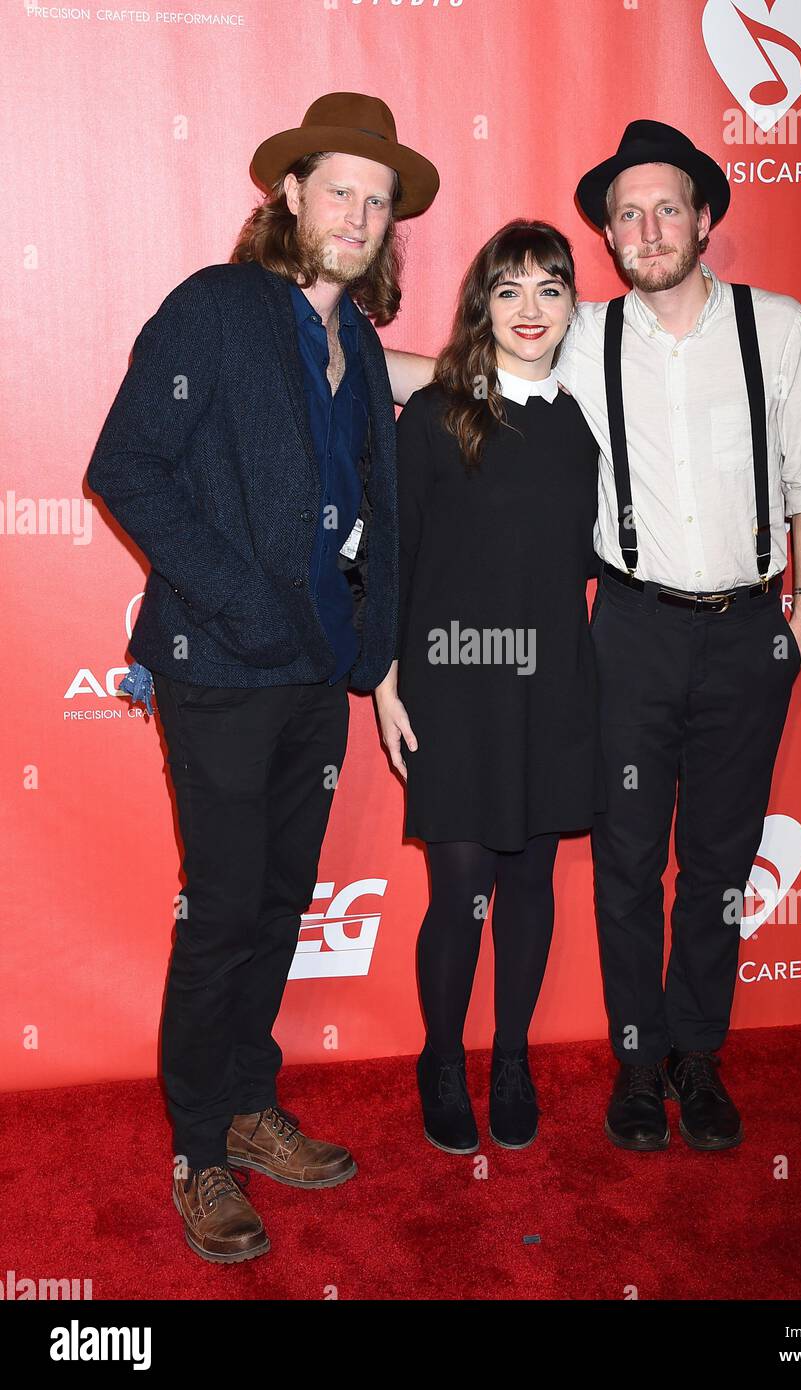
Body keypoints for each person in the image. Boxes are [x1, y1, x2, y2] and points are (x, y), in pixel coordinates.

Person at [85, 92, 439, 1262]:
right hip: (220, 665)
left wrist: (370, 648)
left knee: (280, 902)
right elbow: (125, 465)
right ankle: (197, 1150)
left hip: (310, 672)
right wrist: (238, 599)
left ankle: (246, 1102)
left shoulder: (364, 345)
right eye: (339, 187)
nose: (358, 211)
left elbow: (378, 515)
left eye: (378, 199)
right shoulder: (220, 307)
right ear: (289, 194)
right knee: (224, 909)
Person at [557, 121, 801, 1151]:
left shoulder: (780, 327)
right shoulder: (580, 338)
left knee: (719, 864)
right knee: (628, 861)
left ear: (704, 218)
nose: (646, 226)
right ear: (607, 235)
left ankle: (697, 1057)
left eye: (665, 206)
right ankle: (637, 1066)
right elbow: (467, 370)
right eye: (626, 213)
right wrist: (335, 341)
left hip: (747, 632)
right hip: (629, 630)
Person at [374, 221, 604, 1154]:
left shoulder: (580, 426)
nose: (529, 310)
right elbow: (395, 554)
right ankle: (441, 1058)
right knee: (462, 881)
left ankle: (511, 1056)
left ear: (570, 308)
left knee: (531, 880)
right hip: (455, 681)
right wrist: (386, 679)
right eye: (508, 290)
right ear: (482, 305)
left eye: (549, 289)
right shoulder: (435, 414)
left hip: (552, 685)